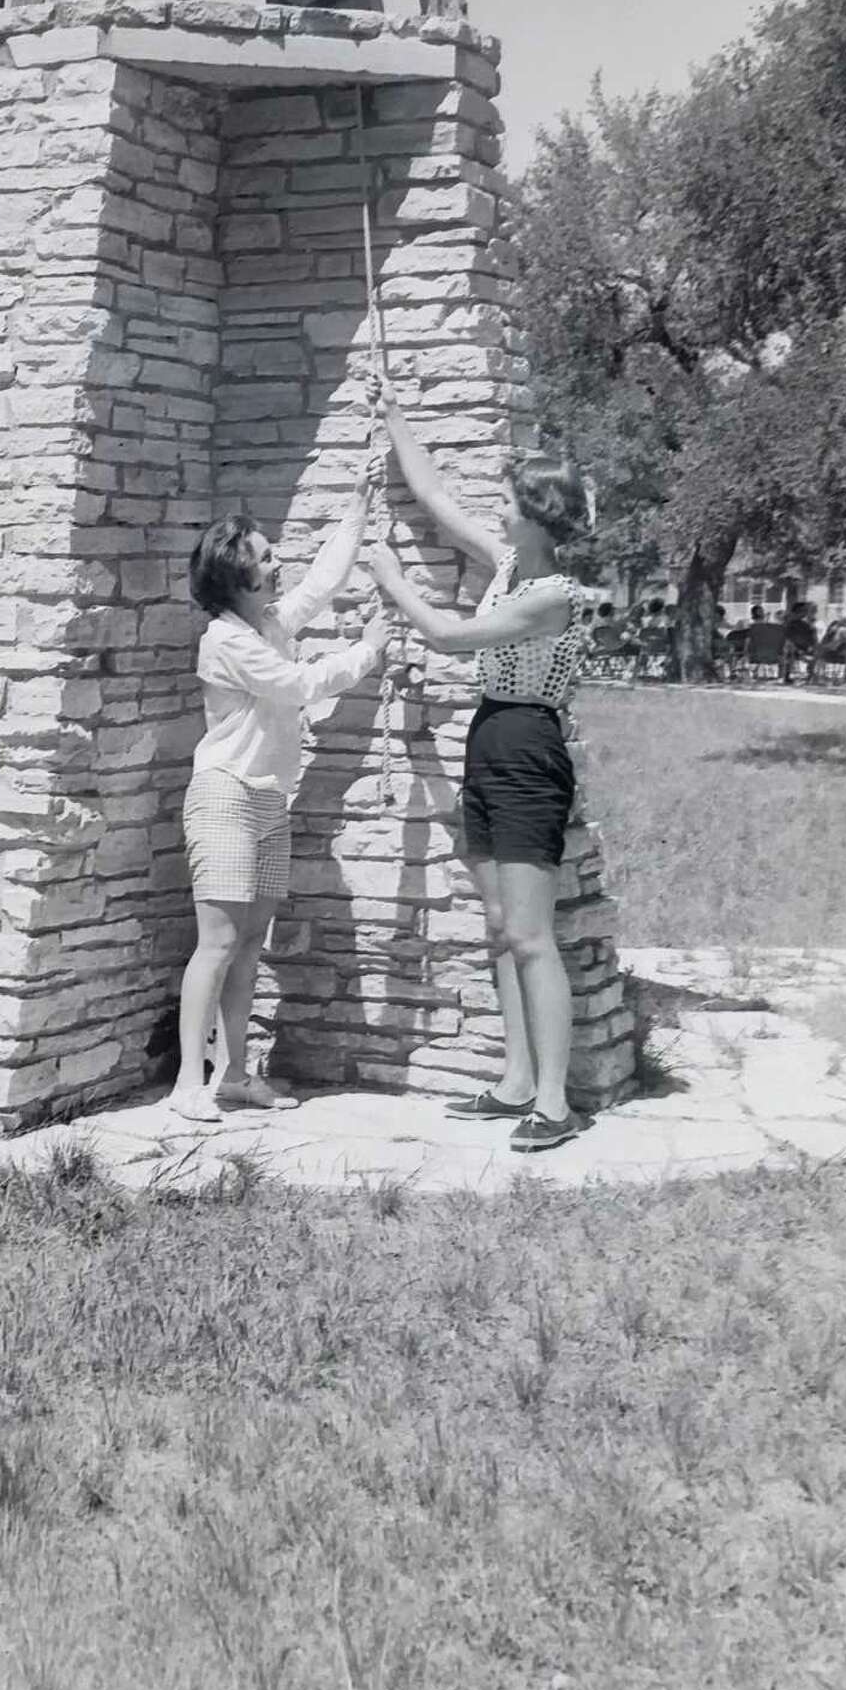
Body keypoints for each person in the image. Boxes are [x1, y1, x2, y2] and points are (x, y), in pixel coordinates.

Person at [367, 404, 595, 1155]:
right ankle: (516, 1082)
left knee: (531, 936)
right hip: (491, 736)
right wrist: (392, 411)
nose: (498, 508)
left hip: (529, 747)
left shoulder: (553, 596)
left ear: (538, 515)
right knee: (501, 929)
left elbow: (450, 636)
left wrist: (394, 581)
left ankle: (555, 1105)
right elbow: (436, 498)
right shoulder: (508, 564)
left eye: (510, 499)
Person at [170, 466, 394, 1125]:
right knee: (216, 943)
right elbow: (297, 687)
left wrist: (356, 510)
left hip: (268, 804)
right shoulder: (227, 643)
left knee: (248, 944)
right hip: (224, 801)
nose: (278, 563)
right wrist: (367, 653)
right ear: (237, 580)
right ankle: (190, 1083)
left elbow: (321, 584)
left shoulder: (265, 622)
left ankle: (235, 1075)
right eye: (266, 559)